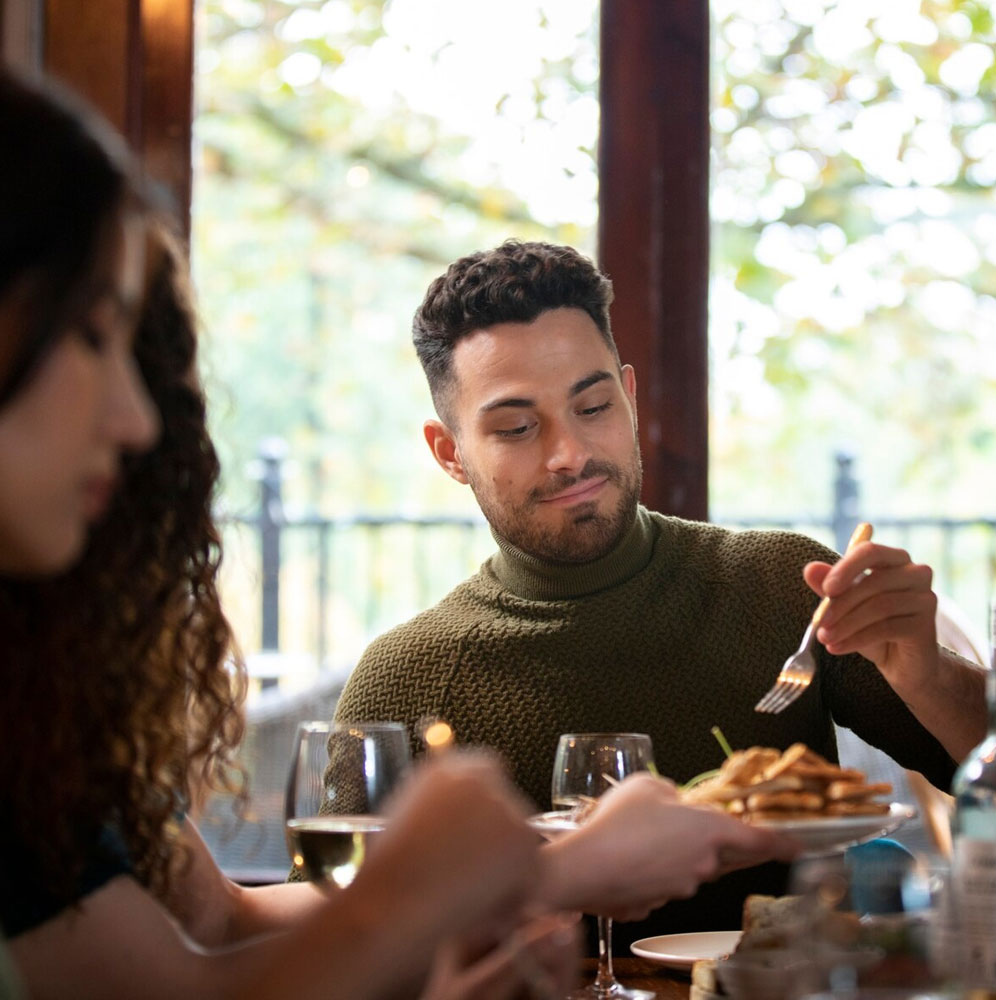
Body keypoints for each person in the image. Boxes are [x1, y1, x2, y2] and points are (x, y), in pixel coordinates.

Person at [0, 71, 795, 998]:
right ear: (447, 451)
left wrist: (484, 904)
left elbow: (220, 921)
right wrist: (541, 875)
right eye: (92, 337)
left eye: (592, 403)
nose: (137, 423)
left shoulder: (30, 700)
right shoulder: (407, 669)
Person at [332, 238, 988, 948]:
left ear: (630, 396)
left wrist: (928, 675)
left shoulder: (781, 588)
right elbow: (338, 944)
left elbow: (986, 776)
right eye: (517, 427)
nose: (571, 454)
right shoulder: (401, 683)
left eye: (593, 406)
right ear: (450, 452)